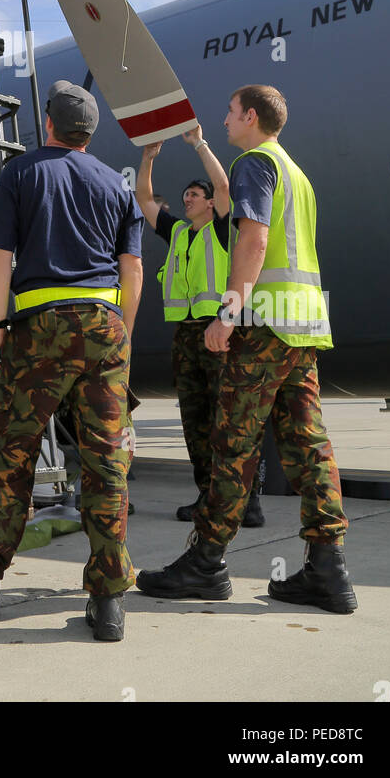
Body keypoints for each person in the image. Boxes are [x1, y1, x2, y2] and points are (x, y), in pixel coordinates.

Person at [136, 85, 356, 615]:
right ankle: (328, 569)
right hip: (300, 328)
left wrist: (229, 312)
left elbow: (254, 240)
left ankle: (206, 564)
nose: (226, 120)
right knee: (308, 447)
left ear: (251, 116)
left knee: (232, 442)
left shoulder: (254, 163)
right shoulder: (295, 172)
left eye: (231, 113)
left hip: (262, 327)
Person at [0, 80, 144, 642]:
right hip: (103, 326)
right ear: (90, 133)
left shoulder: (22, 172)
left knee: (11, 455)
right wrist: (122, 338)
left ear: (48, 125)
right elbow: (131, 270)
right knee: (106, 462)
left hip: (37, 328)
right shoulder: (117, 184)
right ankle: (108, 600)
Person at [136, 127, 264, 526]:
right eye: (186, 195)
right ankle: (208, 497)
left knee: (230, 417)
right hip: (186, 337)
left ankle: (249, 501)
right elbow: (143, 198)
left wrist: (199, 144)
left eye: (194, 195)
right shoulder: (176, 231)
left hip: (221, 331)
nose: (186, 199)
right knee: (195, 422)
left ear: (210, 204)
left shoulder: (222, 229)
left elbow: (224, 184)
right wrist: (148, 157)